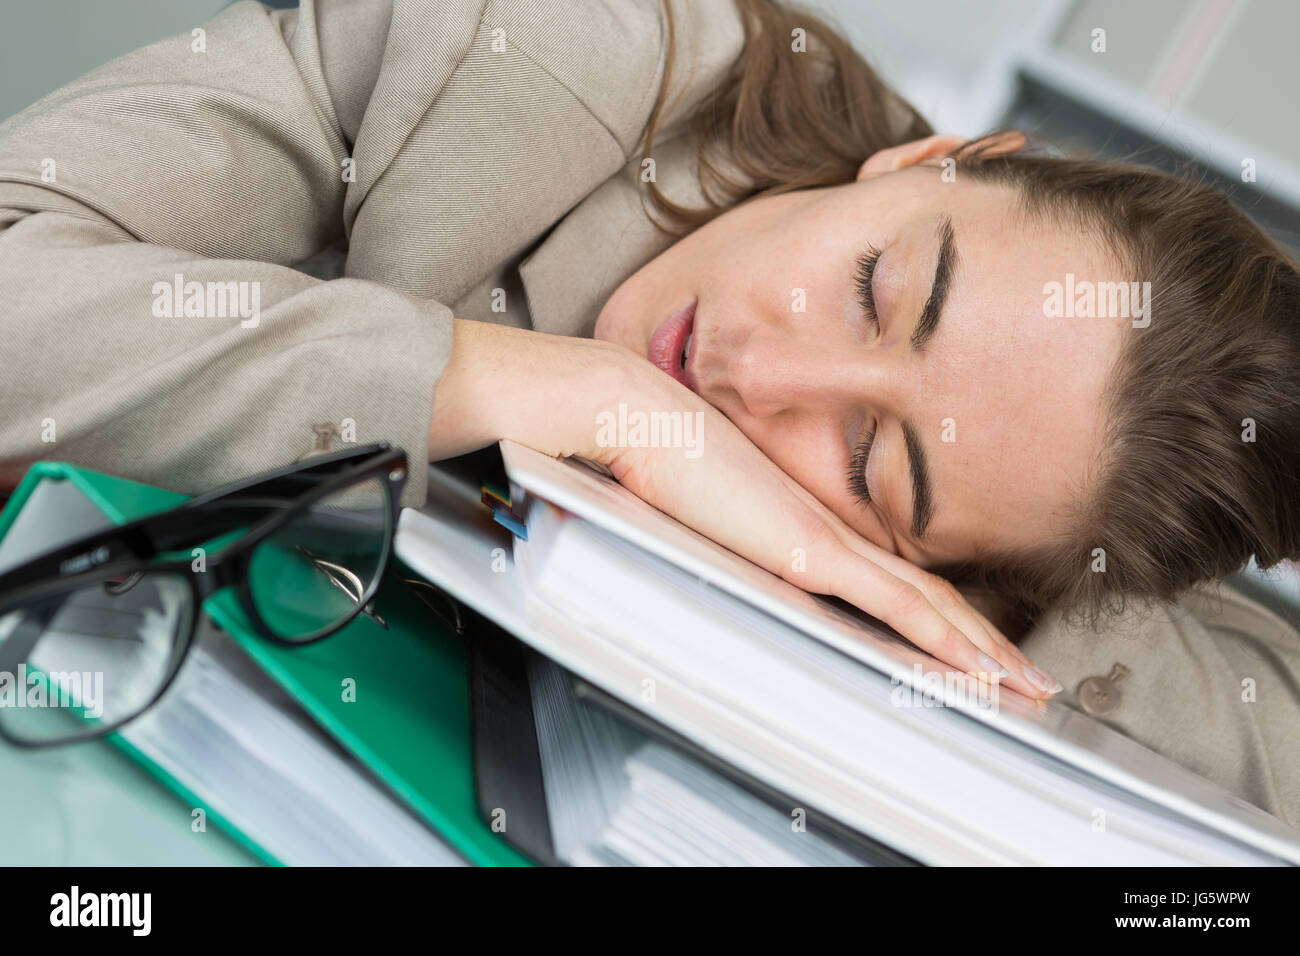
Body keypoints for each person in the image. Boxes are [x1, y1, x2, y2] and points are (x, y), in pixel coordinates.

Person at [0, 0, 1297, 821]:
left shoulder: (1034, 504)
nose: (760, 374)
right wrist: (542, 386)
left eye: (873, 463)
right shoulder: (518, 49)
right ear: (935, 159)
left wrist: (961, 605)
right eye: (874, 287)